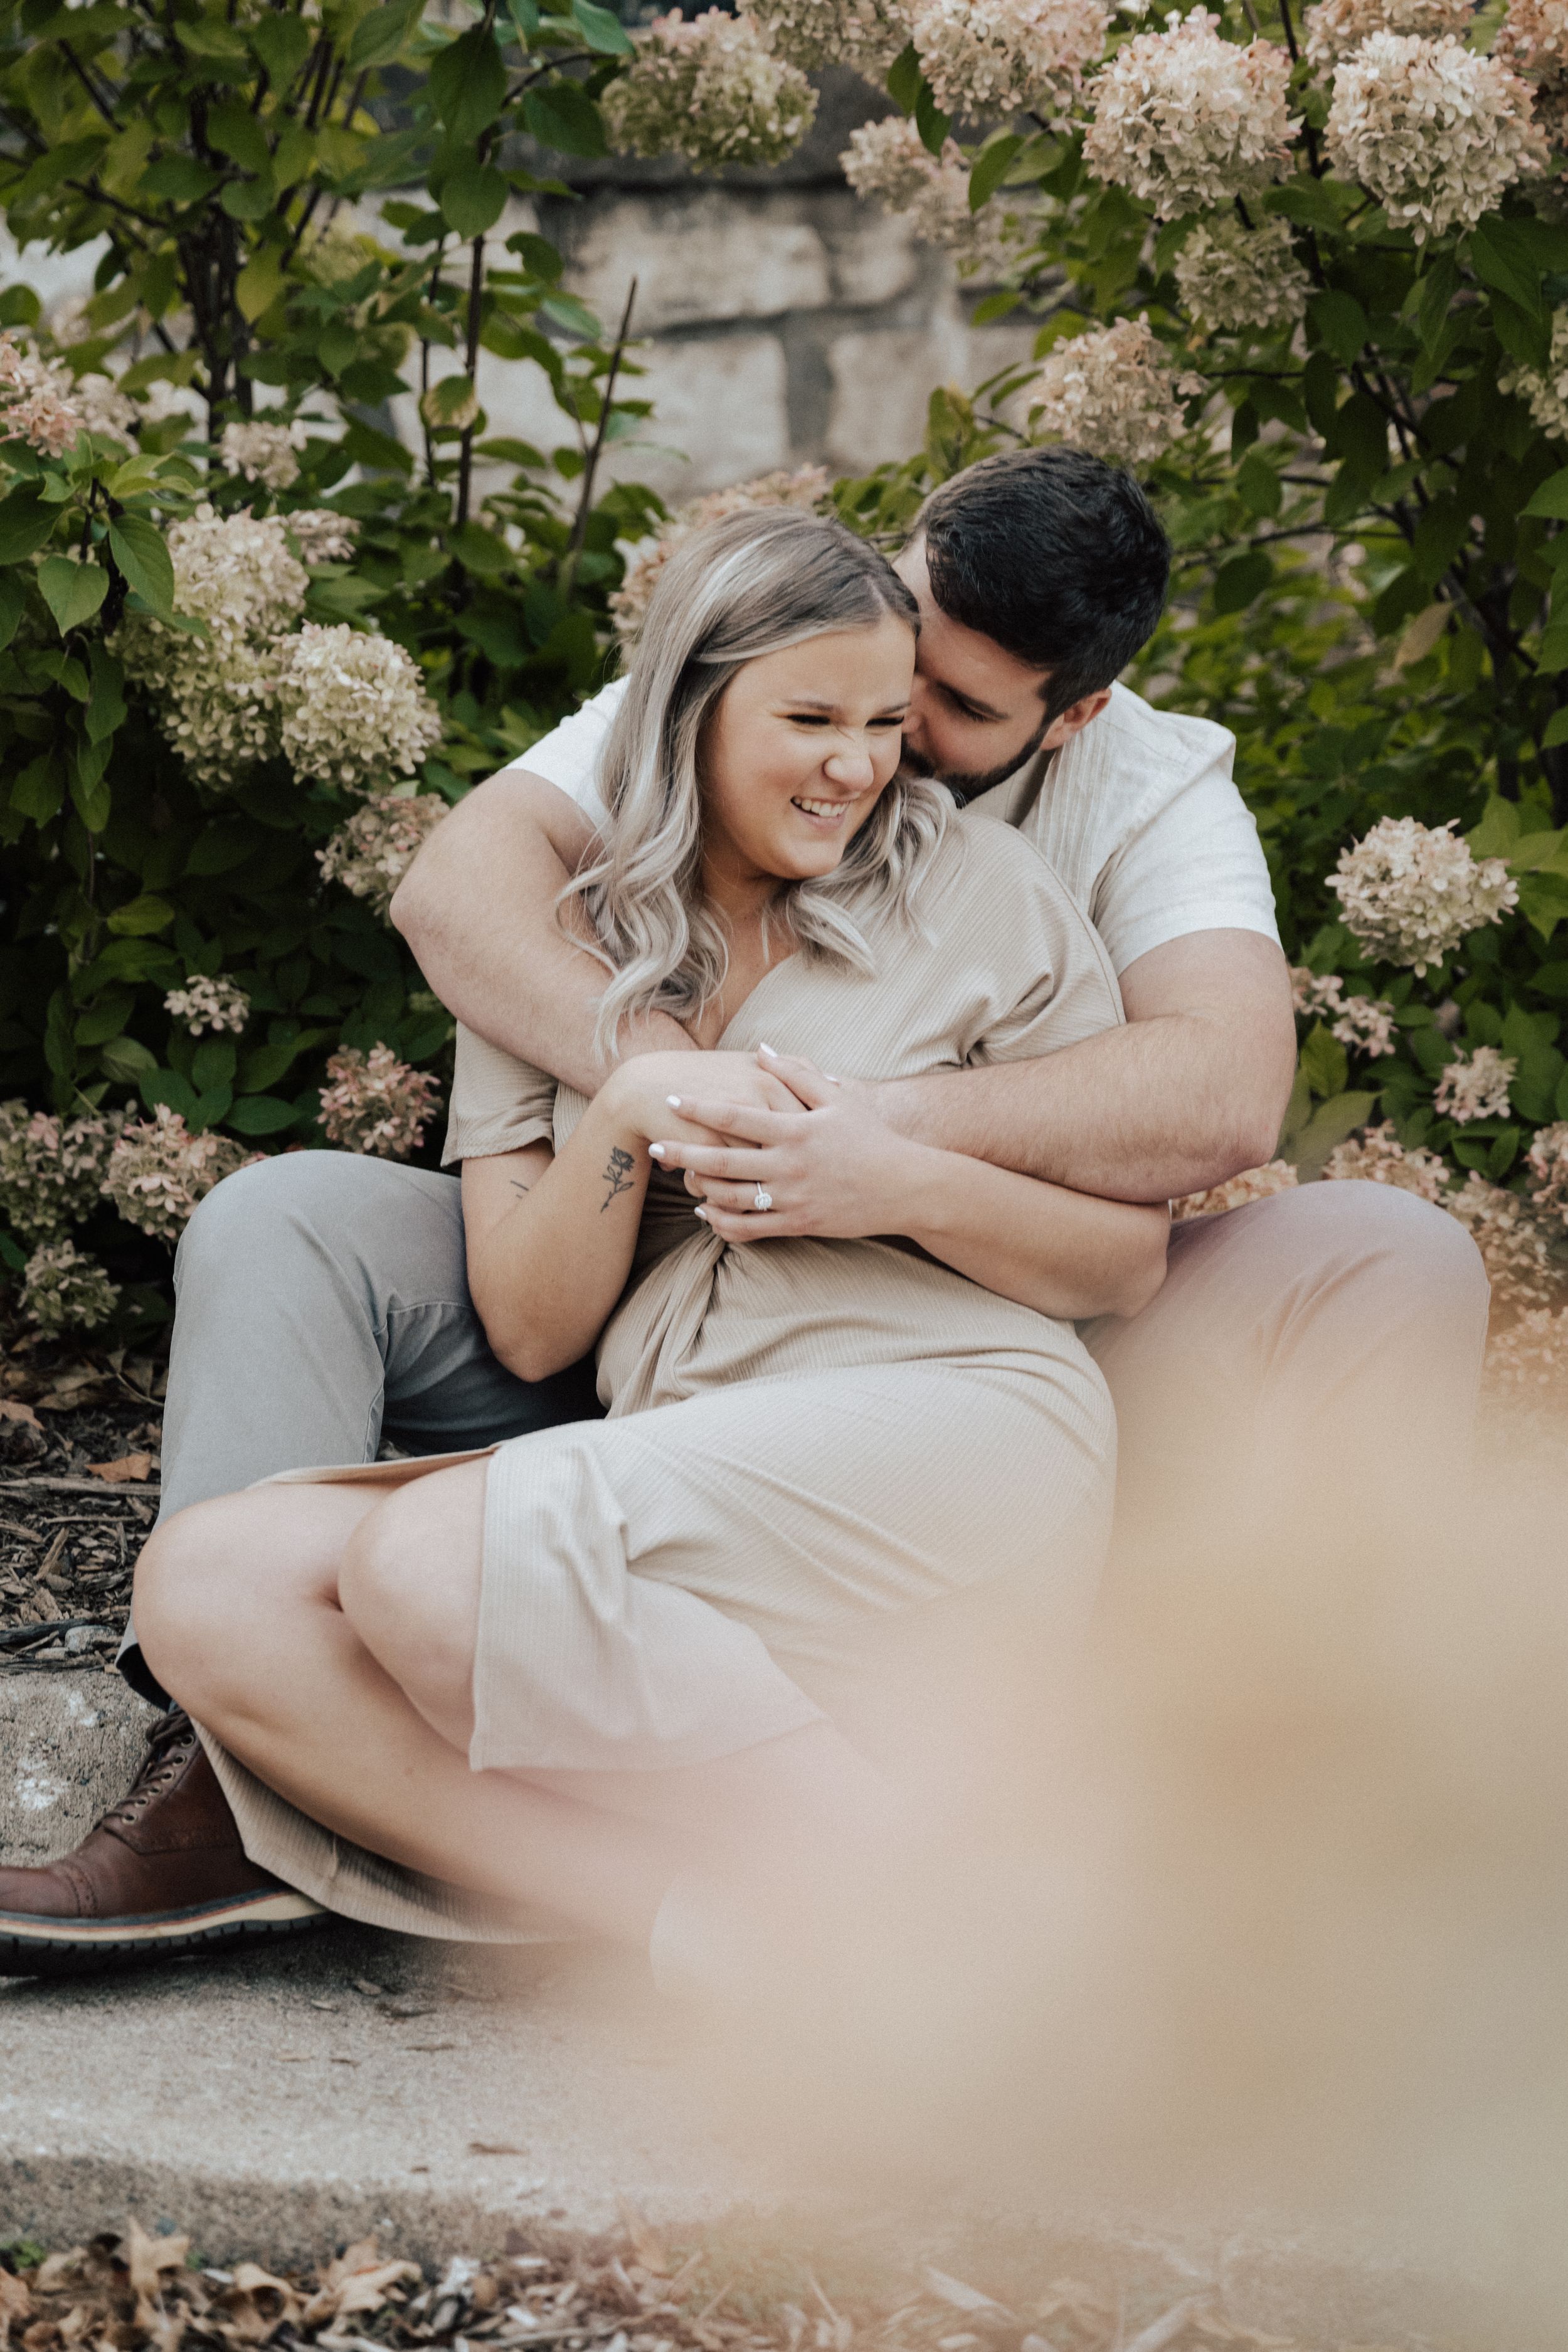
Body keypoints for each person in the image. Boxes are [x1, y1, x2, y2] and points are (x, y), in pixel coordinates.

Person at [0, 448, 1489, 1973]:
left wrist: (880, 1150)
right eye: (836, 703)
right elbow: (465, 938)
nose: (882, 740)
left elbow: (1216, 1109)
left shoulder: (1028, 856)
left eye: (934, 712)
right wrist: (643, 1091)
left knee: (1390, 1256)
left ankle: (1119, 1868)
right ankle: (550, 1880)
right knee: (221, 1556)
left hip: (943, 1375)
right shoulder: (711, 743)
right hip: (676, 1387)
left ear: (1071, 710)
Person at [100, 511, 1166, 1981]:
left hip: (951, 1425)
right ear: (690, 706)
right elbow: (532, 1334)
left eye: (877, 721)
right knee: (211, 1587)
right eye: (808, 719)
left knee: (431, 1561)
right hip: (679, 1469)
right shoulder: (550, 941)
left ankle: (949, 1930)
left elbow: (1122, 1266)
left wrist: (890, 1175)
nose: (858, 766)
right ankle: (697, 1927)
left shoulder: (980, 899)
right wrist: (625, 1106)